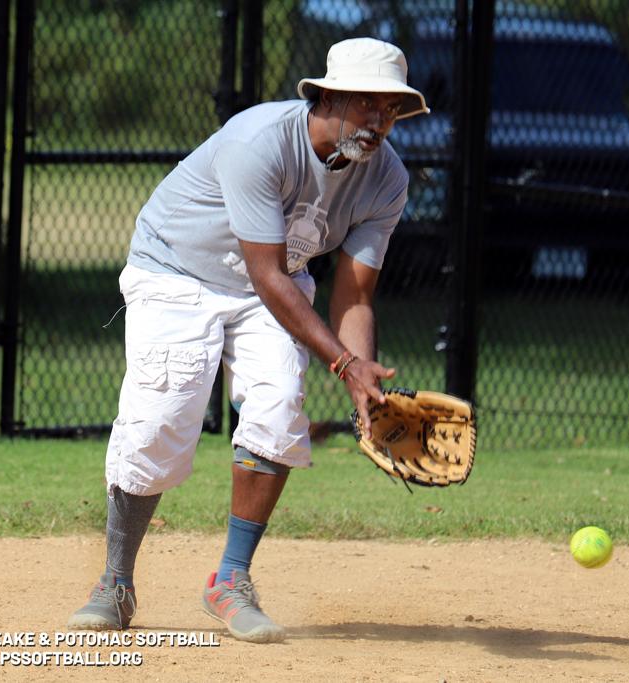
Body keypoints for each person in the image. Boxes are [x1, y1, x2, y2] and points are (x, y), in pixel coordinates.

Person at [66, 37, 429, 643]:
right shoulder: (259, 142)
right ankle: (115, 583)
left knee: (280, 408)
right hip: (176, 269)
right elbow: (264, 272)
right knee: (161, 418)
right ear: (328, 97)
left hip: (275, 285)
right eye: (366, 103)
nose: (379, 121)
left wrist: (362, 378)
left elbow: (355, 294)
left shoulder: (385, 178)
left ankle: (229, 581)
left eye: (391, 109)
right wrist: (343, 364)